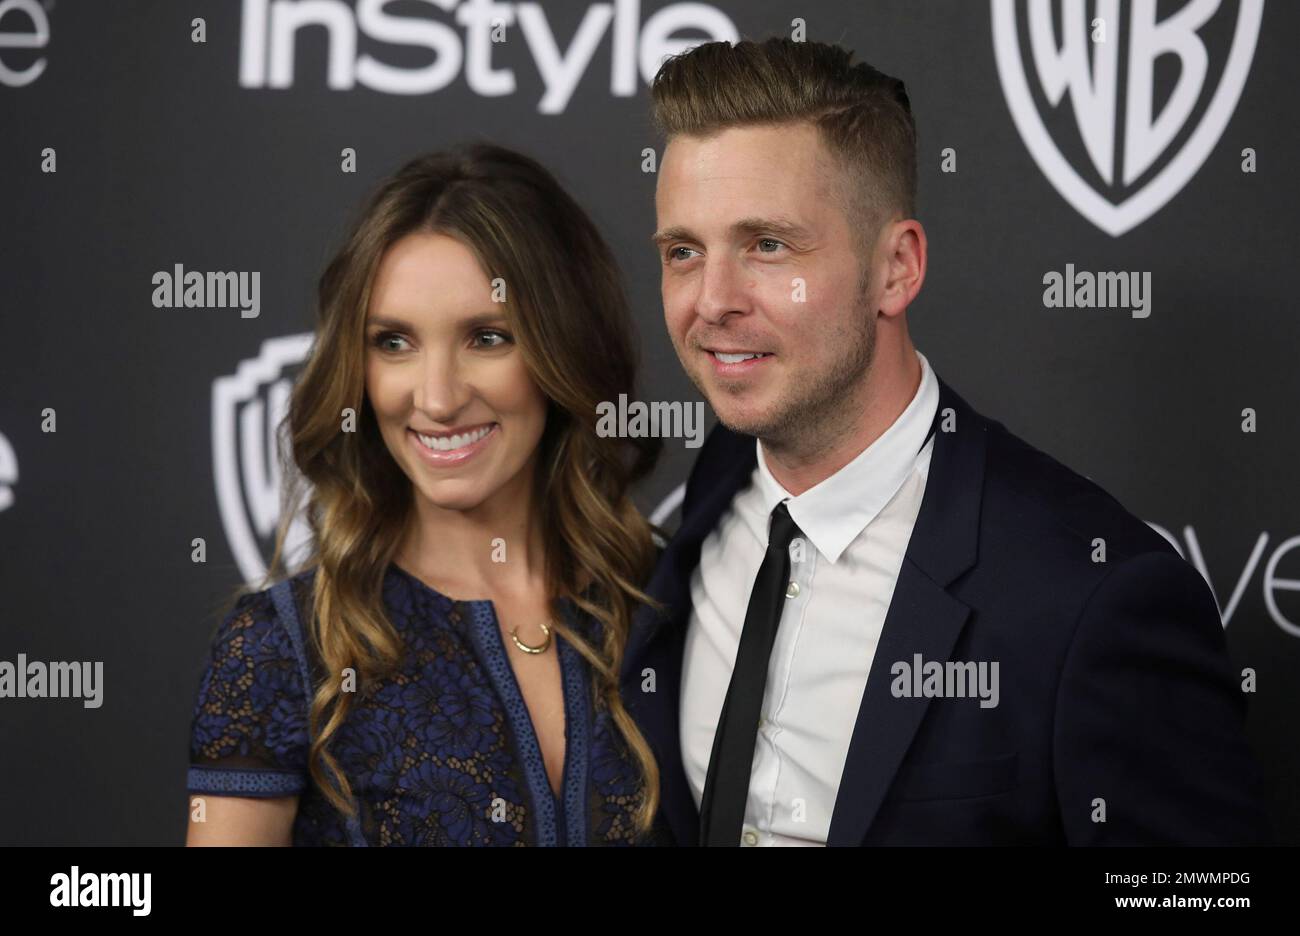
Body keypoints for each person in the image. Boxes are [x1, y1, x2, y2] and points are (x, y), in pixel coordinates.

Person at [623, 37, 1273, 846]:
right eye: (683, 251)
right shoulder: (707, 496)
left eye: (768, 246)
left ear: (897, 267)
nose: (711, 301)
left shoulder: (1091, 598)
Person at [186, 143, 665, 846]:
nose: (437, 398)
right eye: (394, 343)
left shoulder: (664, 608)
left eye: (488, 337)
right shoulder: (283, 648)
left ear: (563, 347)